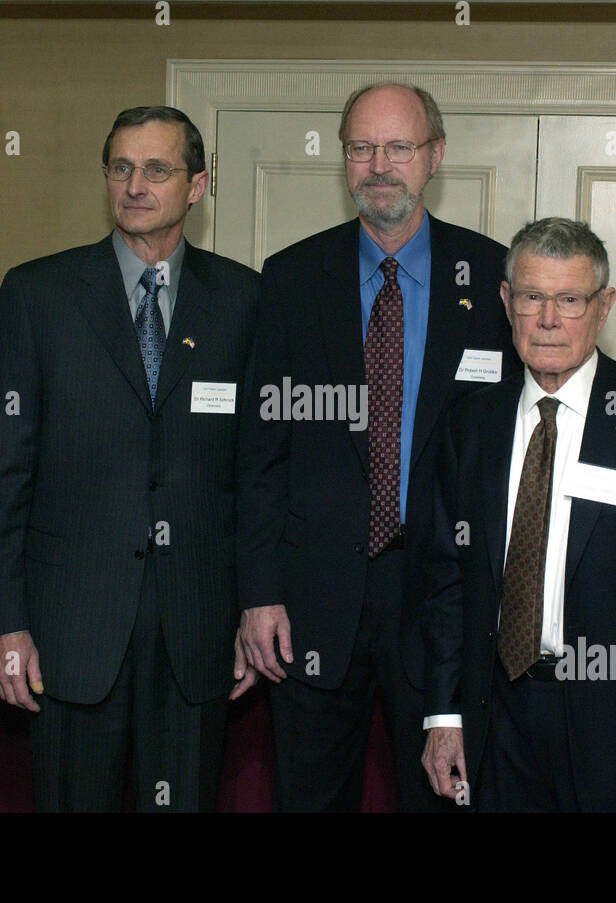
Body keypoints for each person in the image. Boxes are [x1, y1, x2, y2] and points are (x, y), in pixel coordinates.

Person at [234, 83, 517, 811]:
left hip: (442, 605)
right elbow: (261, 450)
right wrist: (258, 591)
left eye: (399, 147)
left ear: (435, 157)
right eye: (361, 148)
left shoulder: (492, 281)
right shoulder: (293, 279)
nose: (378, 165)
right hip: (312, 601)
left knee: (440, 799)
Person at [0, 106, 260, 812]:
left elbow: (258, 474)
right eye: (121, 167)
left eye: (157, 168)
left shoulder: (247, 300)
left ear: (196, 186)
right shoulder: (37, 294)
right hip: (69, 627)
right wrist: (7, 623)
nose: (135, 184)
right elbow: (3, 475)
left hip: (196, 628)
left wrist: (253, 606)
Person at [420, 218, 616, 811]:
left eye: (570, 299)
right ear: (506, 302)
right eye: (531, 297)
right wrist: (444, 714)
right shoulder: (469, 424)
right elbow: (445, 578)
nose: (548, 320)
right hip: (493, 719)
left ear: (604, 307)